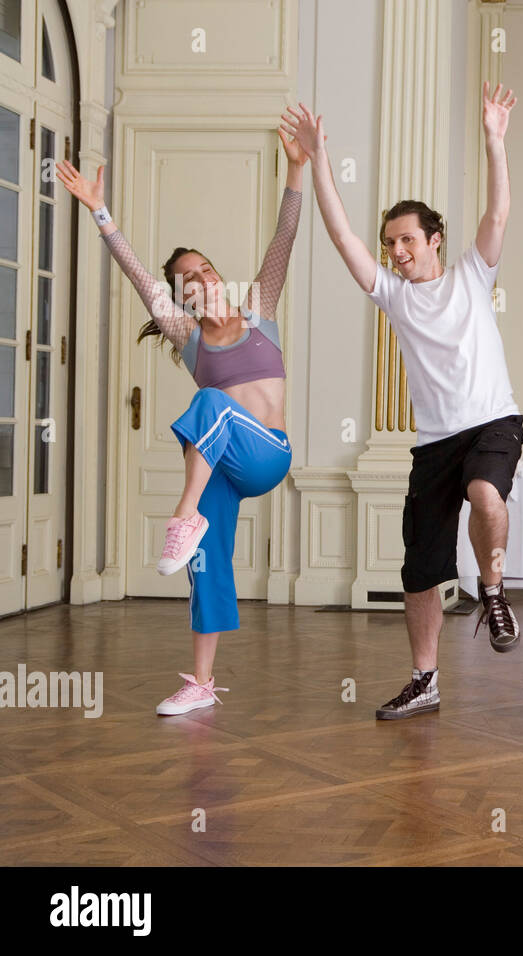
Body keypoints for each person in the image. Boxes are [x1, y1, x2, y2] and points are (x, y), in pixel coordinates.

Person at [283, 85, 523, 720]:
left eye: (407, 240)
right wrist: (317, 159)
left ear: (435, 238)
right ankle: (426, 679)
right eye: (390, 243)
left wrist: (495, 141)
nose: (396, 251)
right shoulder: (394, 294)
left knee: (486, 494)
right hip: (434, 442)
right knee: (420, 571)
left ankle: (494, 589)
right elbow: (340, 238)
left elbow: (498, 215)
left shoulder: (473, 273)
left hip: (494, 422)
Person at [55, 122, 304, 716]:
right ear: (181, 297)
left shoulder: (259, 312)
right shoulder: (188, 338)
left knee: (212, 405)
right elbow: (138, 273)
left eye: (204, 268)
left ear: (218, 275)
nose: (199, 278)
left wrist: (297, 169)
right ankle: (200, 683)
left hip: (268, 452)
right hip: (220, 459)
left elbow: (284, 237)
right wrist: (101, 212)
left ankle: (182, 514)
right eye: (185, 278)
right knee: (204, 560)